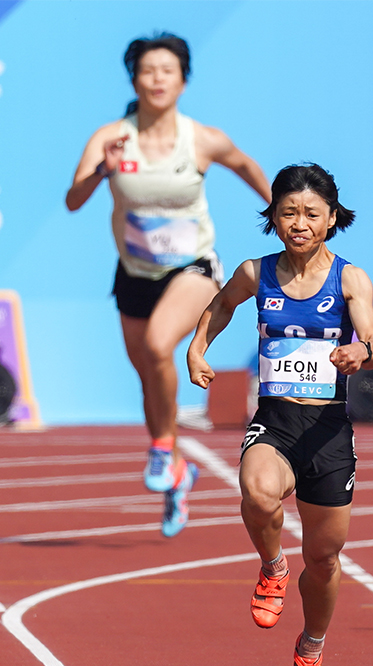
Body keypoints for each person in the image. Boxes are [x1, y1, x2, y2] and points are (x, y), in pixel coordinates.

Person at [186, 164, 373, 666]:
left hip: (328, 431)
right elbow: (221, 305)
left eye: (311, 214)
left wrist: (359, 352)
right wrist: (197, 348)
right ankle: (273, 566)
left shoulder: (351, 279)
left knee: (323, 560)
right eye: (288, 212)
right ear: (272, 216)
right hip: (275, 420)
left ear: (332, 218)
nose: (299, 223)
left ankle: (311, 646)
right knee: (256, 490)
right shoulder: (257, 273)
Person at [64, 32, 271, 537]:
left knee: (160, 344)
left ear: (182, 81)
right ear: (134, 79)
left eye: (167, 70)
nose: (157, 79)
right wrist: (102, 171)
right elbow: (73, 199)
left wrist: (284, 214)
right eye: (148, 70)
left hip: (193, 267)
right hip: (134, 275)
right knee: (150, 378)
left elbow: (246, 165)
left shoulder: (201, 139)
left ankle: (160, 448)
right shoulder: (111, 138)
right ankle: (177, 467)